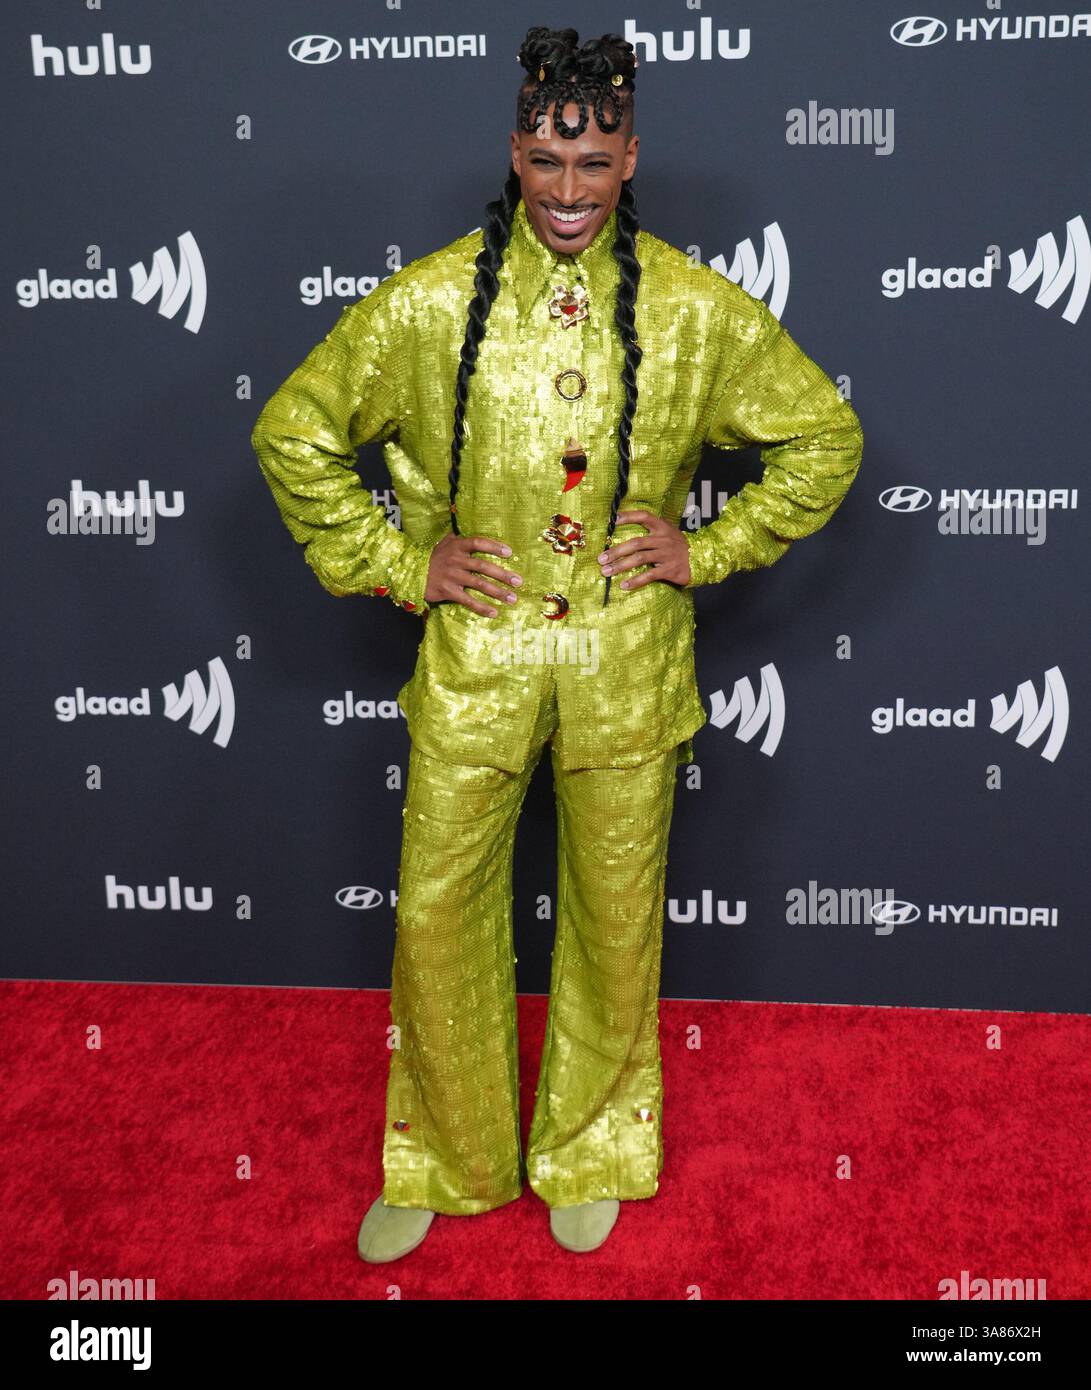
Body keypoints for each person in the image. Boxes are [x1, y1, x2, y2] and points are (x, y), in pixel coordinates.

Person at [250, 25, 863, 1263]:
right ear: (514, 155)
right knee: (433, 909)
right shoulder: (431, 301)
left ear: (631, 157)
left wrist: (710, 544)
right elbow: (295, 430)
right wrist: (397, 561)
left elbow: (822, 437)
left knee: (615, 911)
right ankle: (445, 1154)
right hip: (476, 664)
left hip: (625, 666)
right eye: (543, 161)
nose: (568, 191)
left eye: (591, 165)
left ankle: (591, 1143)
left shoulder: (692, 310)